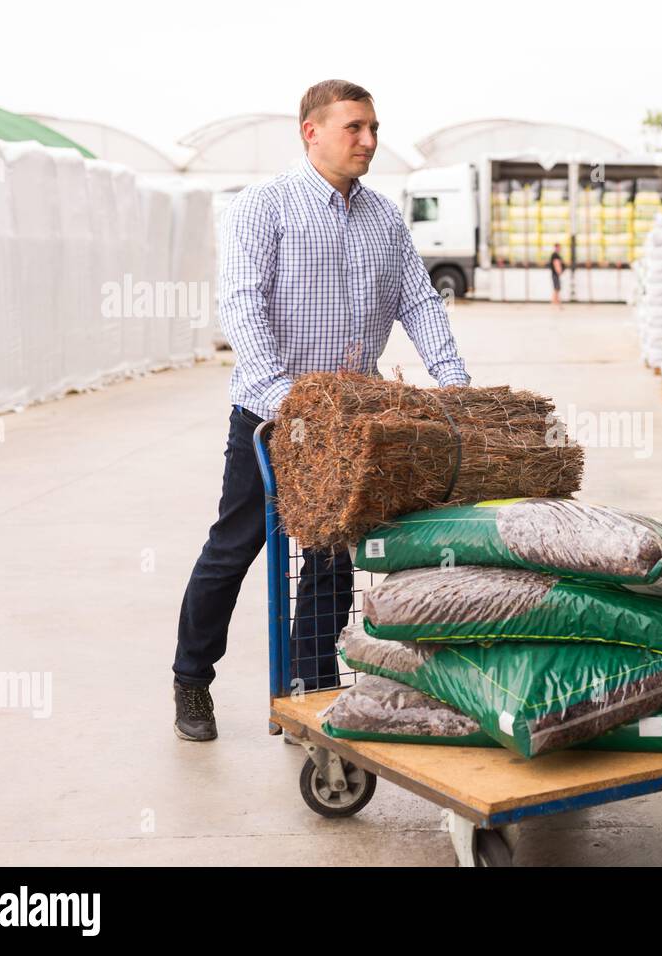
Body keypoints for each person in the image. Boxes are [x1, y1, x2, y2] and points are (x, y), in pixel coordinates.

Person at [172, 79, 470, 742]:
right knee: (237, 546)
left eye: (372, 128)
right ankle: (192, 680)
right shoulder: (265, 206)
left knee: (331, 556)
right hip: (272, 417)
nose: (369, 140)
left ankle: (310, 689)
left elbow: (417, 301)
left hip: (350, 422)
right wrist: (284, 400)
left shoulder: (384, 217)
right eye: (354, 128)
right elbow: (242, 305)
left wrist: (454, 384)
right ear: (312, 131)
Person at [548, 243, 564, 310]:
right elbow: (556, 264)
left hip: (555, 274)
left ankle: (557, 303)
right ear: (556, 247)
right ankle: (554, 304)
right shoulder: (555, 255)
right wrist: (559, 272)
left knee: (557, 289)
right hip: (555, 274)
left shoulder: (555, 255)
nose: (560, 249)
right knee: (556, 289)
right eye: (559, 247)